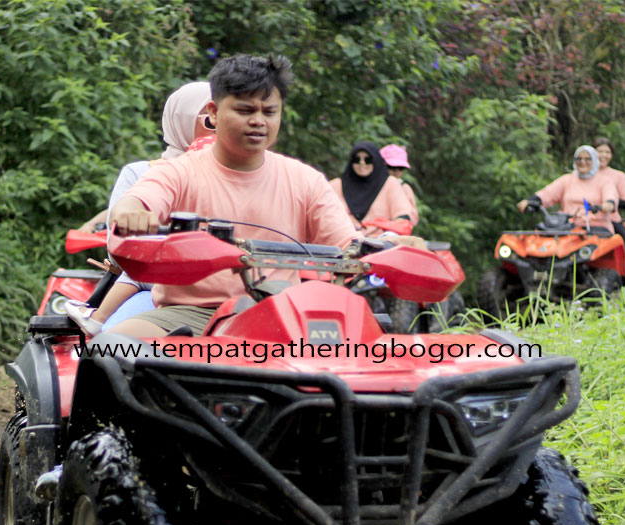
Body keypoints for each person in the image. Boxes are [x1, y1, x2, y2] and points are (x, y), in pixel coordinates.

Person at [109, 53, 423, 338]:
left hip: (284, 317)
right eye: (245, 110)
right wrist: (131, 212)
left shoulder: (305, 180)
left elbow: (350, 246)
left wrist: (394, 248)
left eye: (269, 111)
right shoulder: (179, 171)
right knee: (110, 348)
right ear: (213, 113)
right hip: (192, 315)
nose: (259, 121)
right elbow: (140, 199)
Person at [67, 82, 216, 335]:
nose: (220, 125)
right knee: (111, 349)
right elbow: (119, 253)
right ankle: (100, 325)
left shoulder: (242, 175)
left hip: (226, 290)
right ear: (181, 120)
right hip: (156, 288)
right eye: (210, 119)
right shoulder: (143, 173)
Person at [516, 145, 619, 233]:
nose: (582, 162)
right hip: (566, 227)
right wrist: (529, 201)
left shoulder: (605, 181)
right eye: (579, 159)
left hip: (595, 227)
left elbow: (610, 198)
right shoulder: (567, 179)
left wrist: (607, 205)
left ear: (594, 160)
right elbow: (547, 194)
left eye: (587, 159)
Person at [329, 142, 417, 236]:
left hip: (380, 245)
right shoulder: (335, 186)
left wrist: (387, 232)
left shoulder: (391, 184)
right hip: (341, 244)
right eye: (357, 159)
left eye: (368, 160)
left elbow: (404, 218)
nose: (362, 163)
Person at [593, 137, 625, 277]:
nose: (603, 155)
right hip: (584, 219)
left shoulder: (618, 176)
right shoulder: (584, 174)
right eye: (600, 151)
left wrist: (609, 203)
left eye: (607, 152)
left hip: (610, 219)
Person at [379, 144, 420, 227]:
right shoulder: (373, 187)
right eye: (391, 167)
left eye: (400, 168)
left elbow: (413, 218)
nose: (396, 171)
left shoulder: (405, 188)